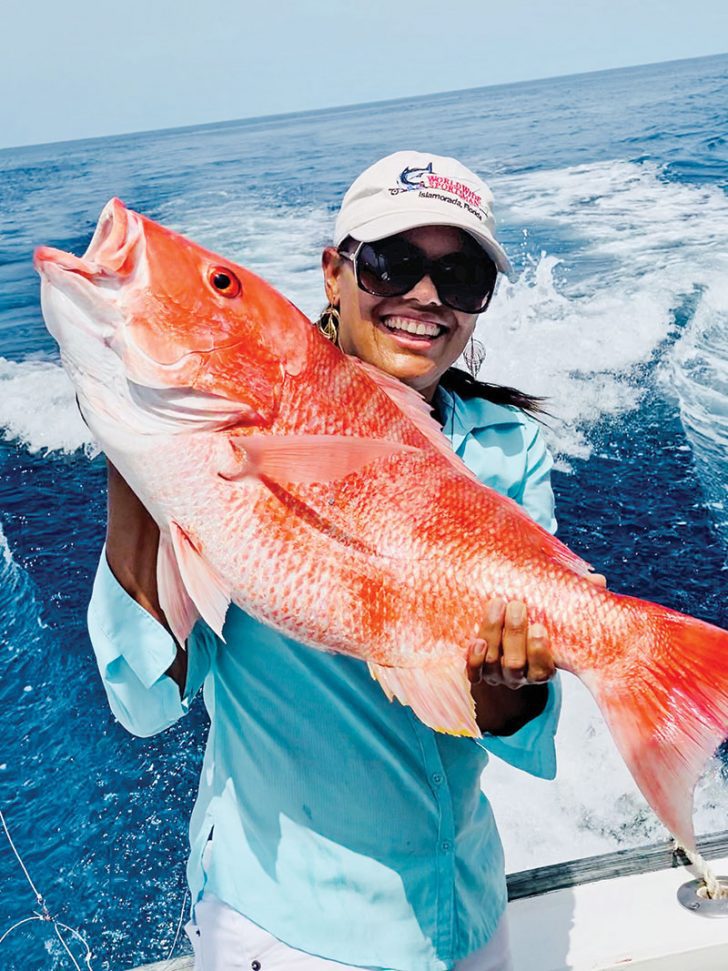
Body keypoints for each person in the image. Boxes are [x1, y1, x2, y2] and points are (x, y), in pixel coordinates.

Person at [88, 151, 601, 971]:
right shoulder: (237, 428)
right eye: (395, 264)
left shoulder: (507, 451)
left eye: (462, 276)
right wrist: (142, 460)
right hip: (295, 930)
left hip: (469, 909)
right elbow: (145, 700)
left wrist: (513, 685)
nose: (427, 298)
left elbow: (510, 724)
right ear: (335, 274)